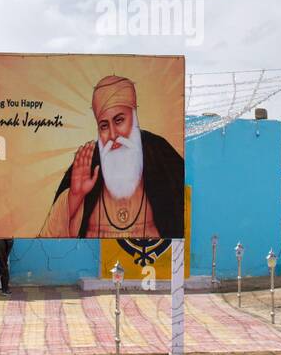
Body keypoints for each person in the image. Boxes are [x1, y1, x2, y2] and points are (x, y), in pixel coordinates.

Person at [44, 75, 184, 239]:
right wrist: (75, 197)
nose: (113, 135)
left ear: (135, 117)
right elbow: (49, 240)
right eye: (104, 126)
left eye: (119, 120)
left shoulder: (161, 157)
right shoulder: (87, 165)